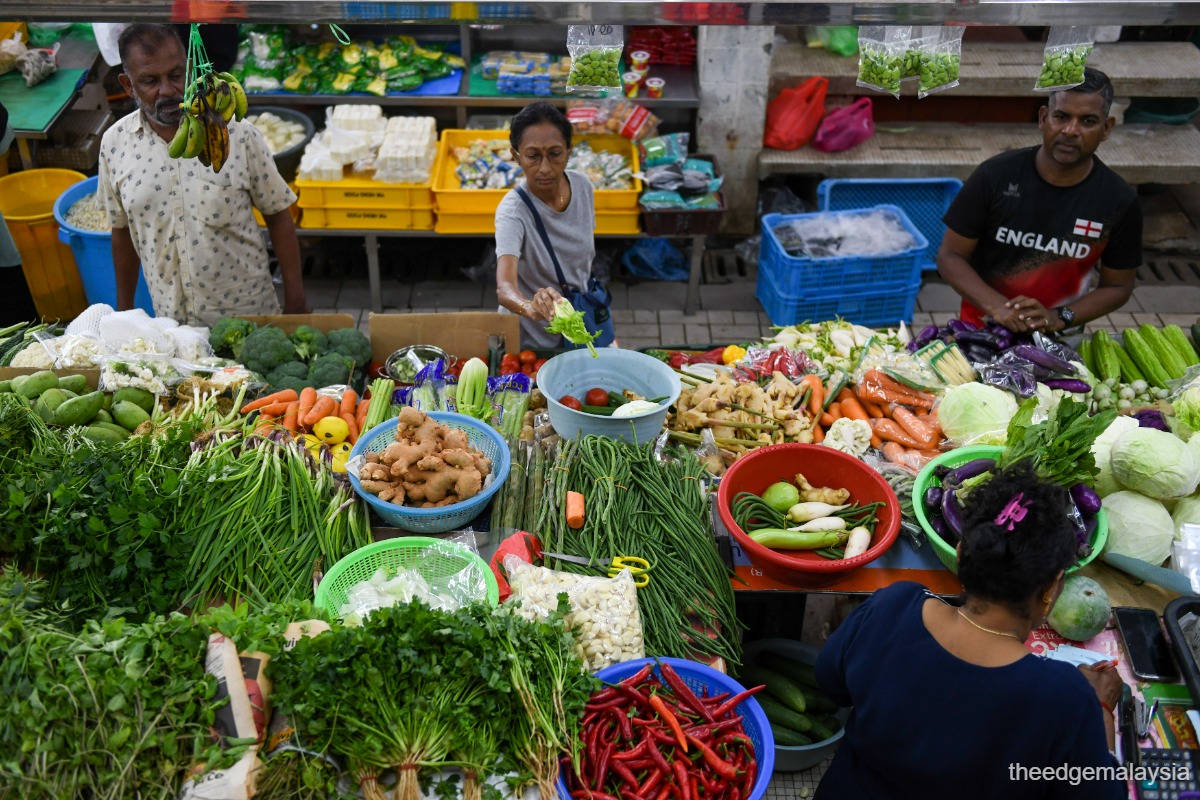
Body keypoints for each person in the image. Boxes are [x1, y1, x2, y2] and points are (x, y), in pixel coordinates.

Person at [814, 462, 1125, 800]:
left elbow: (830, 680)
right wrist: (1102, 712)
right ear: (1052, 587)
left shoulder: (893, 606)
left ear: (960, 555)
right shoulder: (1065, 698)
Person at [98, 24, 308, 326]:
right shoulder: (115, 143)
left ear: (191, 68)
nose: (168, 89)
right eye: (149, 81)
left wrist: (296, 297)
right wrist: (124, 309)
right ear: (128, 85)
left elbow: (278, 215)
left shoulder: (237, 134)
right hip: (173, 326)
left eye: (175, 74)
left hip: (249, 316)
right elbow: (121, 231)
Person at [938, 67, 1142, 334]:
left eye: (1088, 121)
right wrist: (999, 307)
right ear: (1044, 119)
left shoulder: (1119, 200)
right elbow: (950, 256)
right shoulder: (995, 176)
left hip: (1060, 339)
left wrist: (1059, 317)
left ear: (1107, 128)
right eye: (1061, 116)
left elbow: (1118, 286)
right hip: (980, 332)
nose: (1070, 130)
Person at [494, 101, 613, 349]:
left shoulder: (582, 186)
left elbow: (581, 260)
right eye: (533, 156)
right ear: (515, 156)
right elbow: (505, 287)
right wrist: (531, 307)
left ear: (569, 151)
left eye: (555, 154)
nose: (545, 168)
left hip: (580, 320)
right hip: (534, 340)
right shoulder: (513, 212)